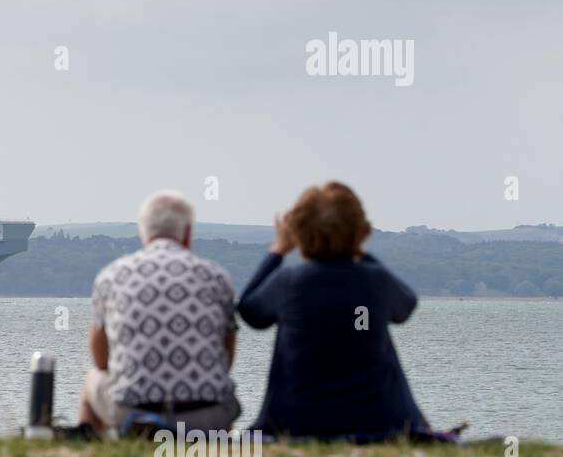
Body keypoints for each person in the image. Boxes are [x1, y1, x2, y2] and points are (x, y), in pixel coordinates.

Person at [238, 182, 429, 438]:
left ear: (297, 231)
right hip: (382, 423)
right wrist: (359, 250)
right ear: (362, 231)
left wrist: (278, 251)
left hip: (294, 423)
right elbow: (406, 305)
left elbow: (250, 310)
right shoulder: (376, 280)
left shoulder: (289, 281)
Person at [79, 190, 241, 434]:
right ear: (187, 233)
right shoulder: (217, 277)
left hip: (133, 413)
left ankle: (91, 454)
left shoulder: (111, 276)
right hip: (205, 416)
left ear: (142, 232)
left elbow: (101, 360)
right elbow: (225, 360)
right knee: (219, 390)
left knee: (92, 378)